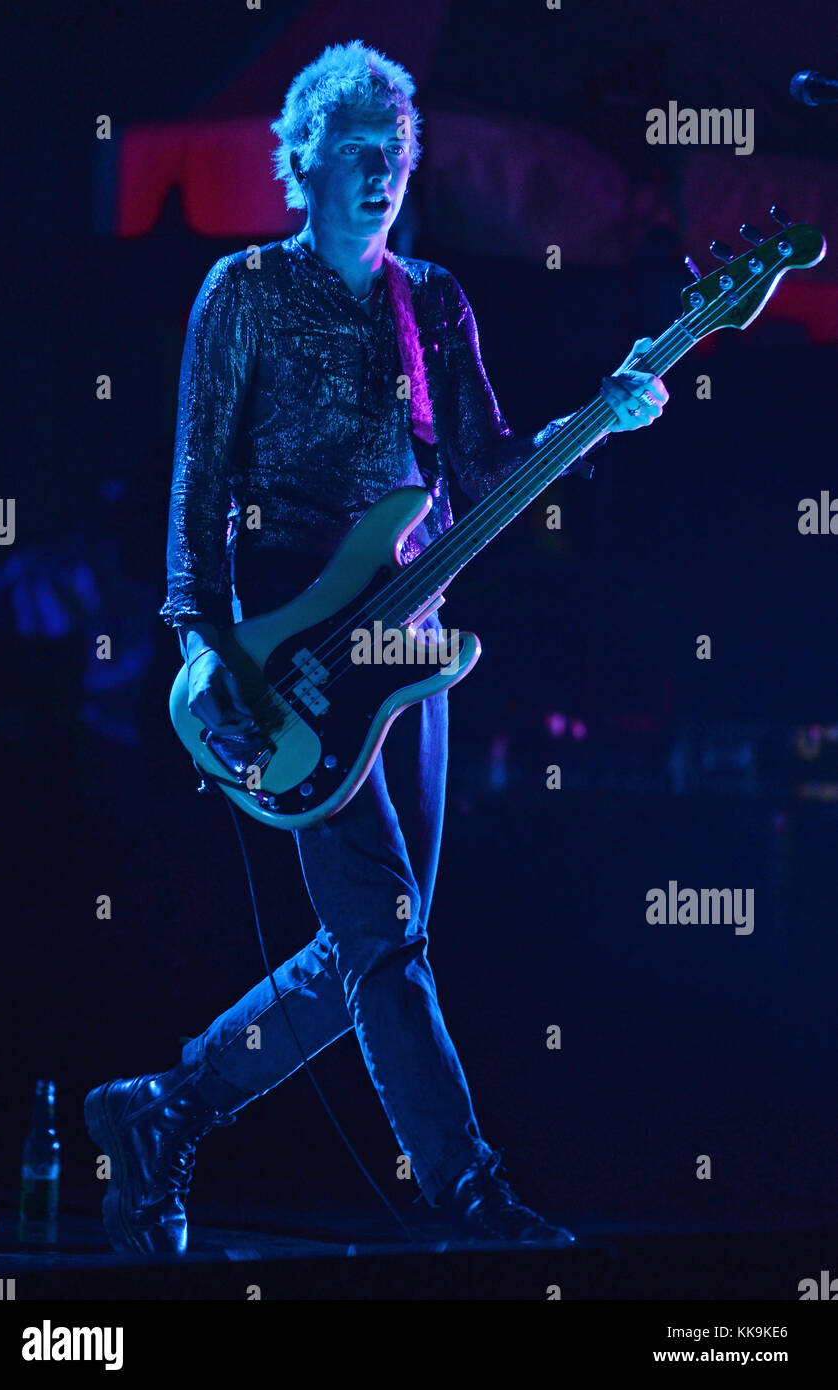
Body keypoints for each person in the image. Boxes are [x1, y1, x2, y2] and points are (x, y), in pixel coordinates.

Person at [85, 40, 667, 1256]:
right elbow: (194, 489)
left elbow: (487, 469)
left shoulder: (434, 303)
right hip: (289, 645)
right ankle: (468, 1197)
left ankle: (161, 1111)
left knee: (373, 936)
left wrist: (598, 416)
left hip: (410, 644)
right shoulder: (241, 292)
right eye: (355, 152)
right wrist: (198, 641)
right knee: (383, 934)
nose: (380, 173)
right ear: (301, 163)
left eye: (395, 154)